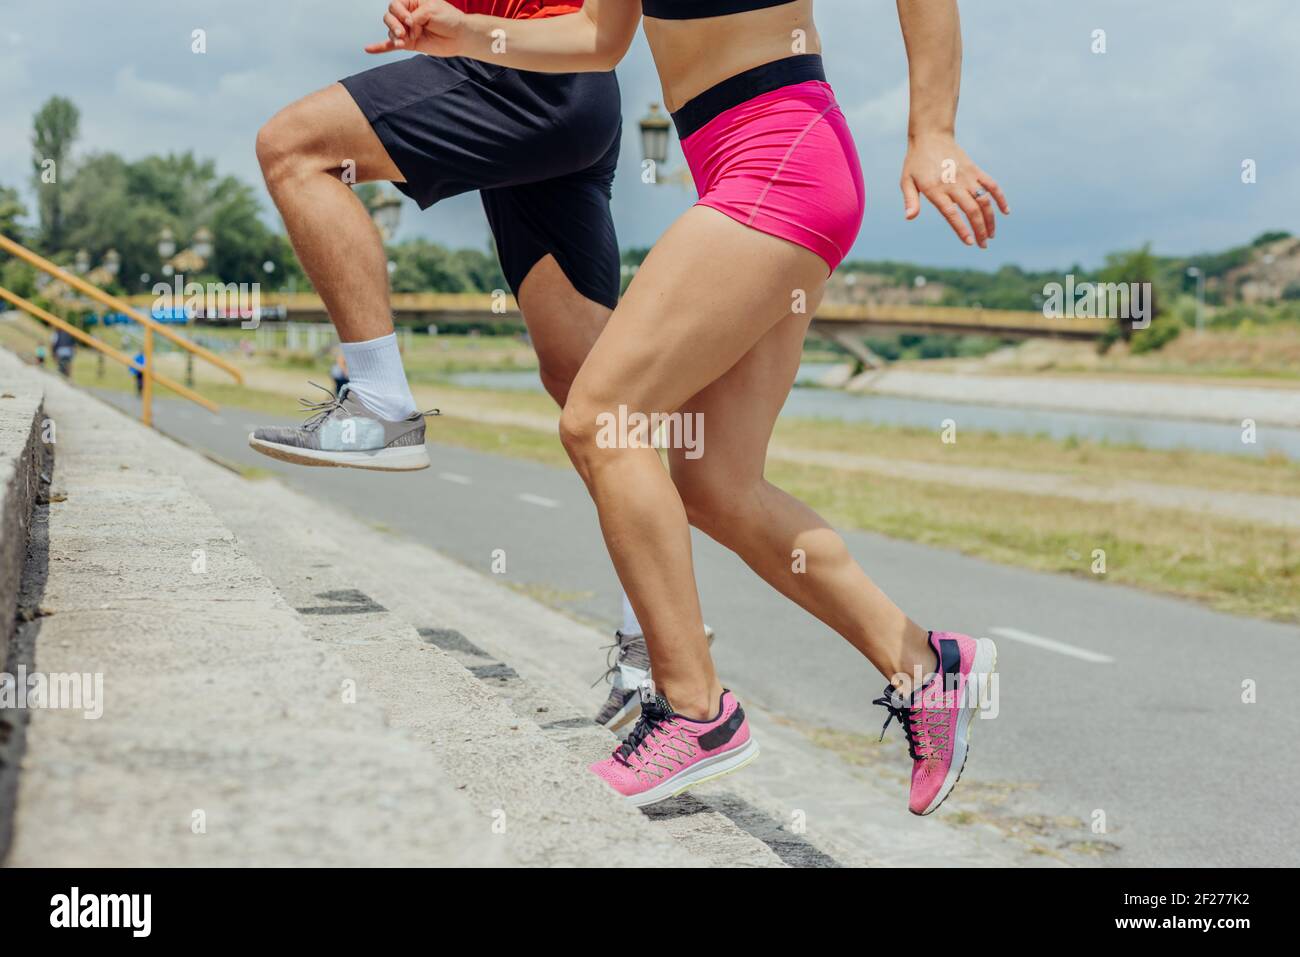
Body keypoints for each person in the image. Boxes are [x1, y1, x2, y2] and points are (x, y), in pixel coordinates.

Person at [377, 0, 1008, 814]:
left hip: (782, 152)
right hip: (749, 166)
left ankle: (696, 710)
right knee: (715, 482)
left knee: (602, 418)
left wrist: (931, 131)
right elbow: (601, 39)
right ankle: (925, 665)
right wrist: (465, 34)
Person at [244, 0, 697, 731]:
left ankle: (382, 402)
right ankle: (657, 650)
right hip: (568, 96)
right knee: (590, 390)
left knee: (293, 147)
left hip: (528, 82)